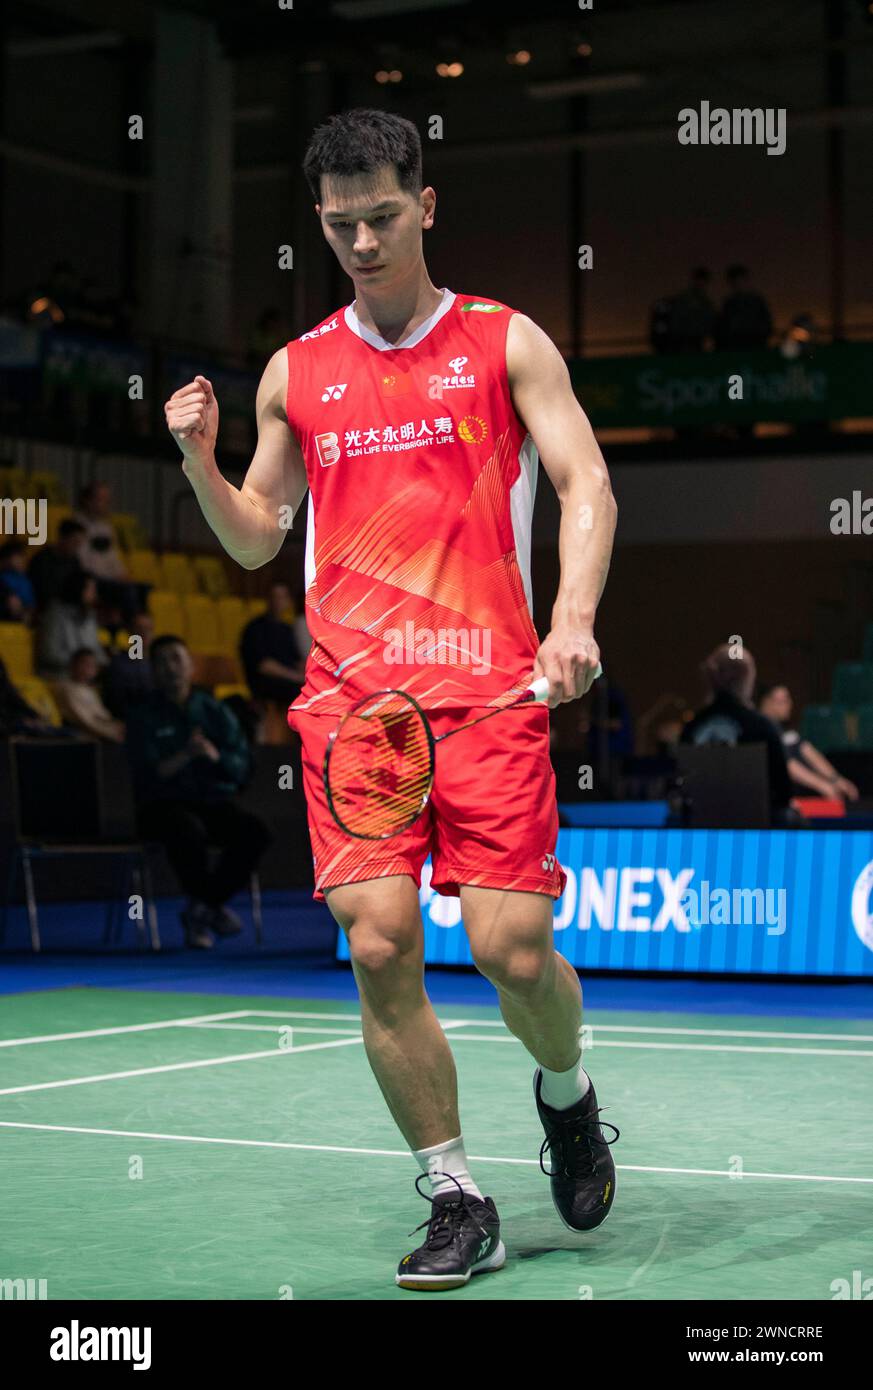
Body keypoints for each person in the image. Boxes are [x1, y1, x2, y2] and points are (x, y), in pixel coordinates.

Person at [164, 107, 618, 1290]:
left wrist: (571, 620)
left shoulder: (504, 341)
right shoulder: (296, 371)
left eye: (379, 215)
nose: (361, 241)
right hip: (355, 708)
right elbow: (259, 541)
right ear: (319, 222)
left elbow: (587, 482)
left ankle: (566, 1095)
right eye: (338, 223)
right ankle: (459, 1195)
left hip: (489, 692)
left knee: (516, 955)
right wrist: (202, 467)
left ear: (424, 204)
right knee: (378, 945)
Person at [125, 635, 271, 949]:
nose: (170, 667)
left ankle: (202, 908)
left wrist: (214, 755)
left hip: (211, 801)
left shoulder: (214, 710)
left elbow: (241, 766)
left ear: (190, 666)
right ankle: (209, 907)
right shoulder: (142, 716)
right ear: (153, 670)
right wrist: (188, 754)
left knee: (255, 831)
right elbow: (149, 773)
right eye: (161, 661)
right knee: (186, 830)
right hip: (160, 807)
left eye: (176, 659)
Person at [681, 645, 793, 822]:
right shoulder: (762, 727)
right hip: (757, 830)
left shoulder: (691, 728)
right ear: (748, 678)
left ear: (710, 678)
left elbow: (681, 792)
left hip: (701, 830)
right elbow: (784, 792)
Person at [758, 682, 859, 803]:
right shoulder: (760, 730)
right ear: (766, 702)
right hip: (774, 799)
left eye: (788, 699)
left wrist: (836, 779)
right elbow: (787, 765)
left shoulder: (786, 731)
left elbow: (808, 751)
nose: (789, 704)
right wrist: (823, 786)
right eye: (782, 701)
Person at [73, 481, 145, 625]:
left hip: (110, 580)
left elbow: (112, 558)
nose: (105, 504)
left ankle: (137, 626)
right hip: (91, 580)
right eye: (101, 500)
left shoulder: (106, 528)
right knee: (126, 591)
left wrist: (122, 574)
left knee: (144, 589)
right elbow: (81, 561)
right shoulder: (76, 525)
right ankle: (134, 626)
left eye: (107, 500)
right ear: (87, 500)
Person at [239, 580, 305, 707]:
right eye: (275, 596)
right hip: (265, 683)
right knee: (300, 690)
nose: (278, 601)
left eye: (282, 597)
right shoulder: (255, 628)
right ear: (268, 599)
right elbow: (264, 666)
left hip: (289, 679)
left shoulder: (287, 629)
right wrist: (296, 677)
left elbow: (297, 661)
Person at [36, 571, 106, 681]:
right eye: (91, 589)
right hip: (59, 676)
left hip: (86, 677)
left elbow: (96, 649)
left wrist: (103, 662)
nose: (95, 594)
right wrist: (79, 663)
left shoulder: (90, 616)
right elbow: (49, 653)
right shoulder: (55, 614)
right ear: (78, 589)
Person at [54, 647, 125, 743]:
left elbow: (103, 716)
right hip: (79, 734)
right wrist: (112, 733)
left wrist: (118, 727)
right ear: (72, 665)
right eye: (84, 663)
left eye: (92, 665)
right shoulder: (66, 688)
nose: (87, 668)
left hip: (99, 731)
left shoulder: (89, 690)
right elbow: (84, 721)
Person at [102, 610, 155, 718]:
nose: (144, 633)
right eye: (139, 628)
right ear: (129, 632)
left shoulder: (159, 663)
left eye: (148, 629)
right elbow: (117, 704)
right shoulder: (118, 665)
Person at [28, 518, 87, 610]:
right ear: (63, 538)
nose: (77, 547)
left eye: (79, 543)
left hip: (67, 610)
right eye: (75, 542)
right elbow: (41, 591)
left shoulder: (75, 562)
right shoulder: (42, 559)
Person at [715, 265, 773, 350]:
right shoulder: (729, 303)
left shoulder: (757, 301)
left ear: (746, 280)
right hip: (735, 345)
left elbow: (767, 323)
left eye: (741, 280)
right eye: (735, 282)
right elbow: (723, 326)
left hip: (756, 343)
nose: (739, 284)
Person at [0, 655, 51, 736]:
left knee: (69, 734)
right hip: (10, 731)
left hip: (20, 728)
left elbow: (20, 704)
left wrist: (34, 718)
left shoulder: (5, 686)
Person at [0, 540, 36, 622]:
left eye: (23, 556)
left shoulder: (26, 580)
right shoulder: (4, 578)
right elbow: (12, 603)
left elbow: (31, 604)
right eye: (19, 556)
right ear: (7, 559)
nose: (23, 559)